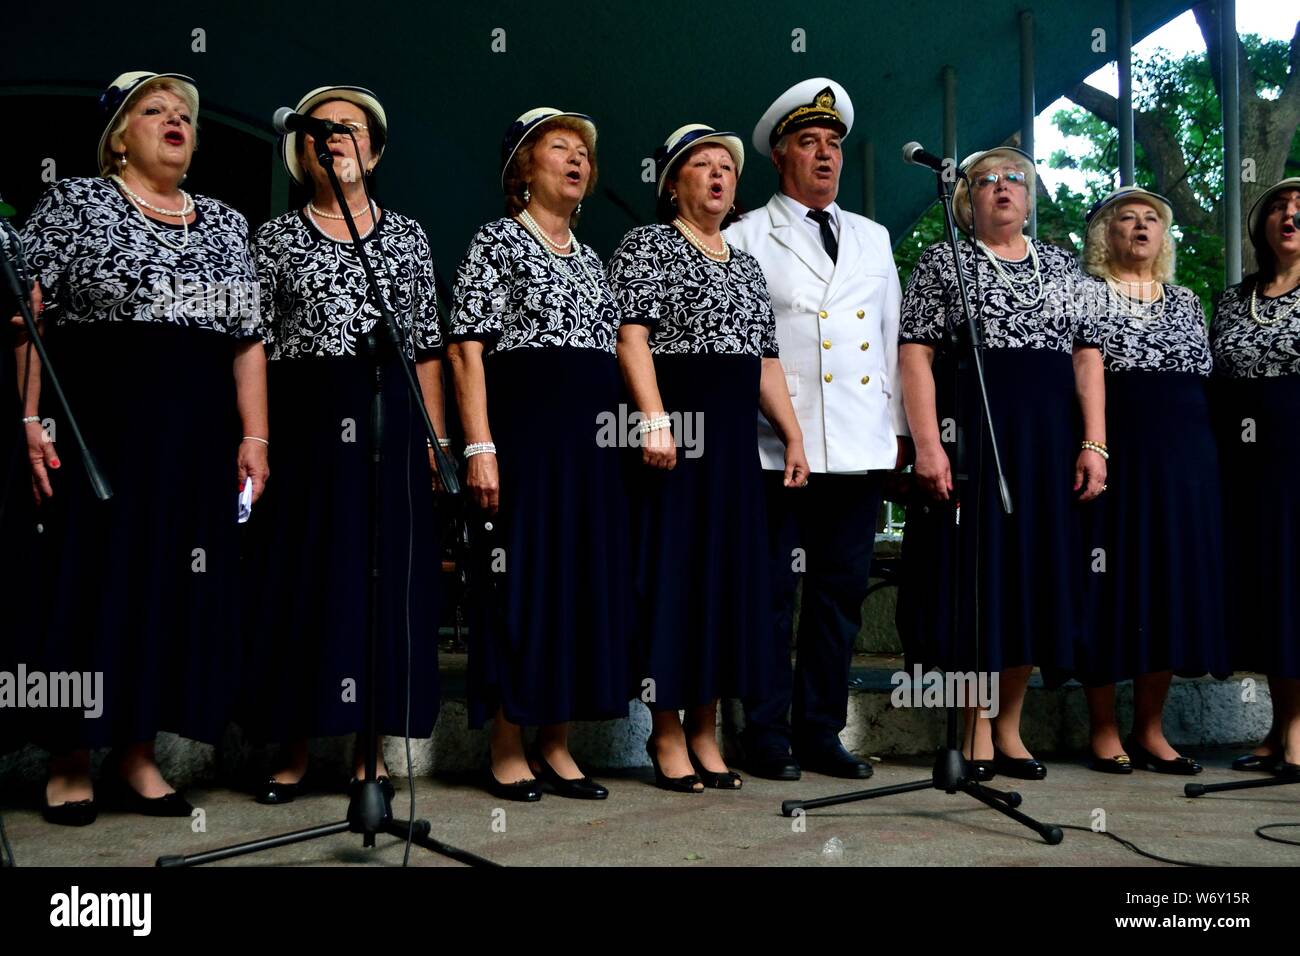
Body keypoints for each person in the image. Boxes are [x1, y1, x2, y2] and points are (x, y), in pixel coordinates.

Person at [14, 71, 269, 825]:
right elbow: (30, 315)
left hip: (195, 436)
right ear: (117, 137)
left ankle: (134, 751)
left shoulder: (224, 222)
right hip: (100, 424)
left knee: (170, 585)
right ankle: (68, 755)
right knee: (87, 580)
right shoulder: (73, 203)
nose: (174, 120)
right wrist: (29, 419)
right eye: (153, 110)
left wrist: (255, 435)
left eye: (184, 112)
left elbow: (248, 338)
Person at [242, 85, 446, 804]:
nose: (336, 139)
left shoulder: (409, 236)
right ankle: (294, 746)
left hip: (390, 416)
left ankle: (370, 753)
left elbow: (426, 347)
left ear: (376, 149)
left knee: (381, 580)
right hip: (305, 420)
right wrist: (257, 437)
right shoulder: (274, 238)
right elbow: (255, 346)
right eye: (322, 130)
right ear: (304, 148)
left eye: (351, 129)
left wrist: (437, 437)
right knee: (303, 574)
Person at [609, 124, 809, 792]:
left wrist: (794, 435)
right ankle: (666, 733)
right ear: (673, 183)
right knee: (673, 581)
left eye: (727, 166)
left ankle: (705, 731)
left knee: (726, 585)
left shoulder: (746, 262)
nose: (720, 175)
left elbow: (765, 363)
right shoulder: (647, 245)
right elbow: (630, 339)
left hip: (732, 446)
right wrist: (655, 419)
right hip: (675, 438)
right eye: (703, 165)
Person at [896, 146, 1106, 781]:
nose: (1002, 188)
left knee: (1032, 580)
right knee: (977, 579)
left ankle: (1009, 729)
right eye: (986, 181)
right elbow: (914, 357)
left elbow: (1087, 358)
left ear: (1030, 195)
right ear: (967, 199)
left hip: (1047, 445)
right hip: (975, 440)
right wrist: (928, 444)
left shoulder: (1064, 265)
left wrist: (1094, 443)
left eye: (1015, 178)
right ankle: (974, 730)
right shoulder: (944, 261)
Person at [726, 78, 907, 780]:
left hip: (858, 444)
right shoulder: (744, 236)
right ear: (780, 155)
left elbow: (890, 338)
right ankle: (765, 733)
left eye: (833, 144)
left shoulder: (873, 235)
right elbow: (742, 347)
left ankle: (821, 732)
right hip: (777, 444)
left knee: (839, 602)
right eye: (810, 143)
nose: (826, 155)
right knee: (771, 598)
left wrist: (897, 433)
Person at [447, 108, 629, 802]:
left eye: (584, 150)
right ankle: (506, 742)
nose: (578, 159)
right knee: (519, 585)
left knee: (577, 586)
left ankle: (555, 743)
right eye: (561, 148)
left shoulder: (590, 258)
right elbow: (468, 350)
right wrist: (481, 445)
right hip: (524, 442)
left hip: (589, 452)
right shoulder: (495, 242)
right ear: (524, 168)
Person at [1077, 186, 1224, 775]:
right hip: (1114, 454)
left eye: (1151, 221)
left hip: (1186, 462)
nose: (1140, 227)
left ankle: (1151, 730)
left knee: (1167, 584)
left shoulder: (1188, 301)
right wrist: (1095, 446)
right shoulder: (1082, 294)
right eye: (1126, 219)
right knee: (1108, 586)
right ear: (1104, 235)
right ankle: (1105, 728)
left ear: (1163, 237)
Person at [1210, 176, 1300, 778]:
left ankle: (1297, 735)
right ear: (1261, 225)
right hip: (1245, 466)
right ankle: (1276, 727)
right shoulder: (1230, 299)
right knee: (1269, 593)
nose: (1289, 216)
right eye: (1279, 208)